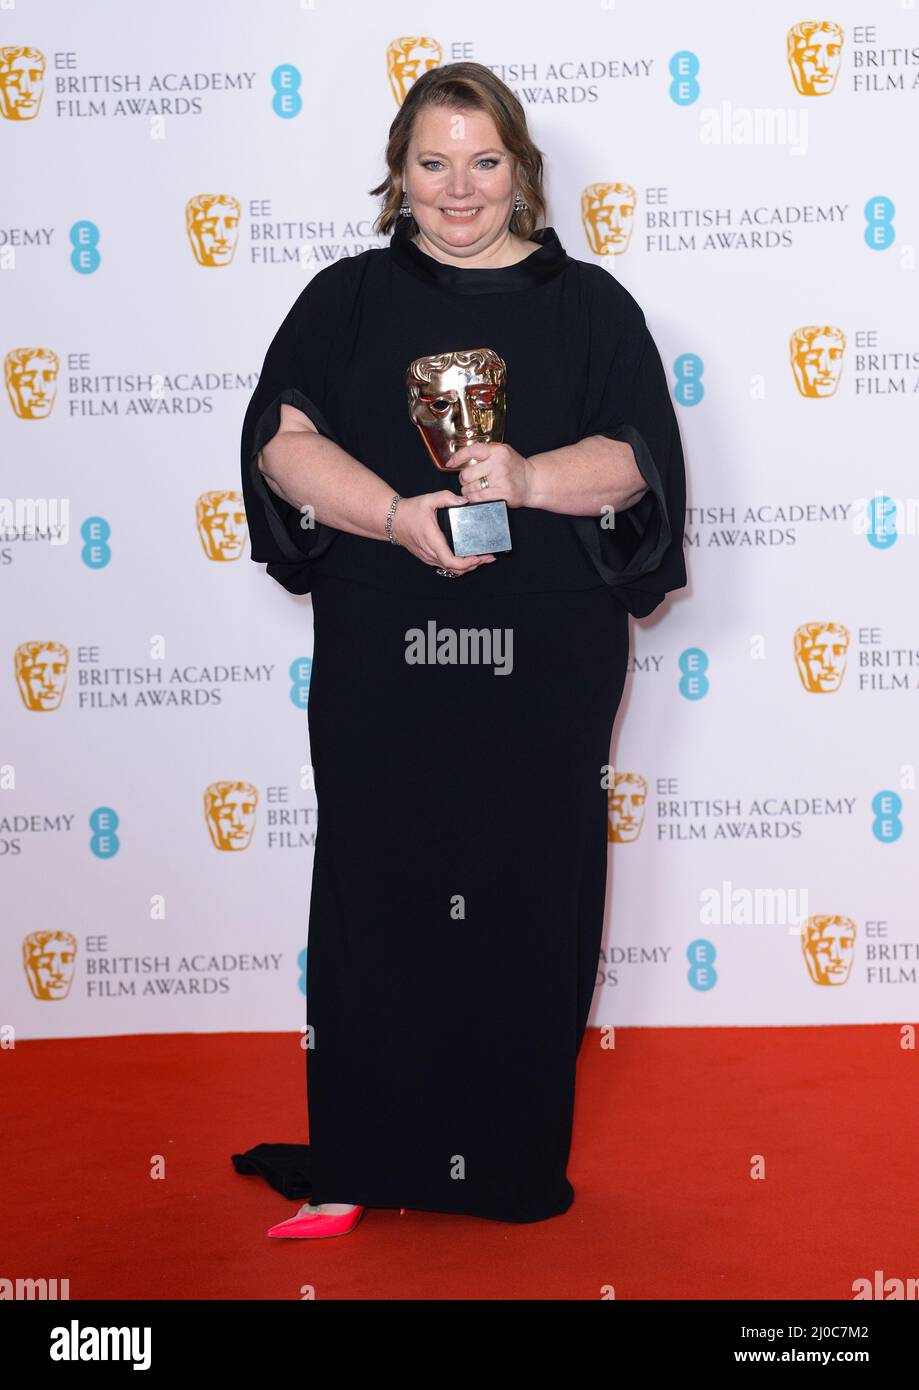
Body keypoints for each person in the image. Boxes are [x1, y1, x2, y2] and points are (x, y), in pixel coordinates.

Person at [230, 61, 686, 1237]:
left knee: (535, 895)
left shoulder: (591, 307)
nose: (459, 188)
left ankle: (508, 1162)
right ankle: (359, 1154)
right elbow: (282, 444)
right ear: (399, 175)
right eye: (433, 163)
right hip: (389, 643)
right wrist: (395, 513)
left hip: (546, 656)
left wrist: (529, 478)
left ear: (520, 171)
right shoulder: (345, 300)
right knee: (377, 890)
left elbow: (638, 457)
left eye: (483, 161)